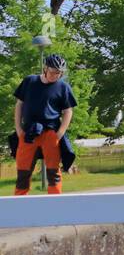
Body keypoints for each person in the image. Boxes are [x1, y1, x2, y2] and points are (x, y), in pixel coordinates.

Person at [12, 53, 76, 196]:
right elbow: (19, 105)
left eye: (59, 73)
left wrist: (59, 134)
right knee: (23, 171)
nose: (55, 76)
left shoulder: (63, 87)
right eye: (53, 72)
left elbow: (68, 111)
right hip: (28, 132)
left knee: (53, 172)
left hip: (51, 133)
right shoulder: (29, 81)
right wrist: (18, 128)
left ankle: (55, 204)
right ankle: (19, 205)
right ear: (45, 68)